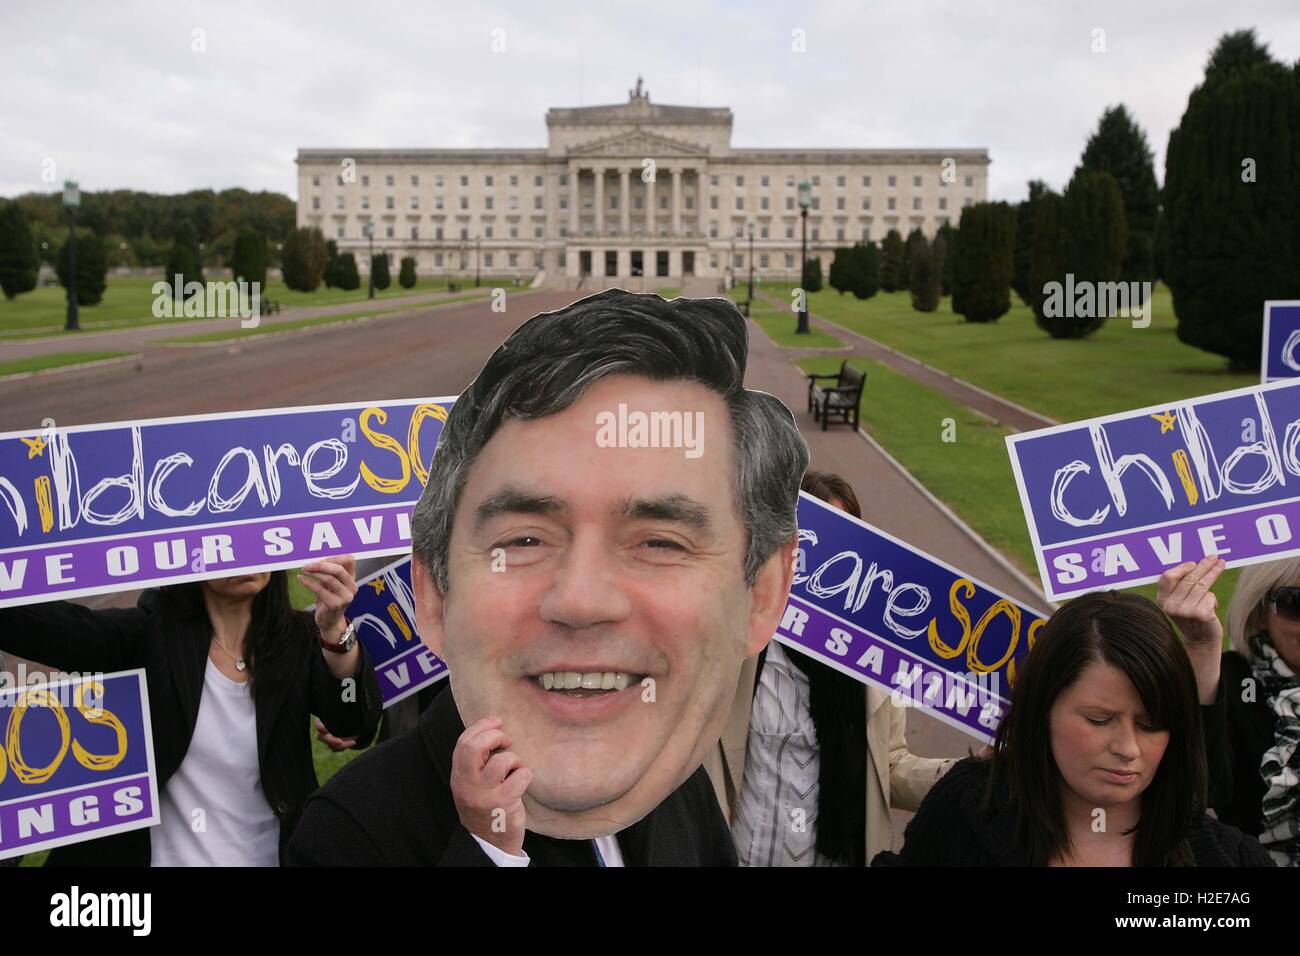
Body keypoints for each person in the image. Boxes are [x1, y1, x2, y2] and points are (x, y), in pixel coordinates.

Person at [288, 288, 810, 866]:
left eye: (660, 542)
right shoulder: (350, 835)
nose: (581, 600)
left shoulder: (676, 782)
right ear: (433, 593)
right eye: (525, 541)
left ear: (762, 594)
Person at [0, 558, 382, 865]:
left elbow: (354, 721)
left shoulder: (298, 638)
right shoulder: (146, 634)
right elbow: (46, 628)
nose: (242, 552)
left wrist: (336, 633)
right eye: (225, 541)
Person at [875, 589, 1272, 866]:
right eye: (1100, 720)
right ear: (1042, 708)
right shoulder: (964, 810)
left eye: (1152, 725)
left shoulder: (1232, 860)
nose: (1128, 748)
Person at [704, 470, 955, 866]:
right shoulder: (743, 639)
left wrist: (975, 774)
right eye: (817, 541)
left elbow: (892, 768)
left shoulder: (875, 664)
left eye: (847, 541)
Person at [1158, 555, 1300, 866]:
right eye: (1295, 604)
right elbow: (1203, 790)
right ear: (1260, 612)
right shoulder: (1231, 681)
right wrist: (1201, 647)